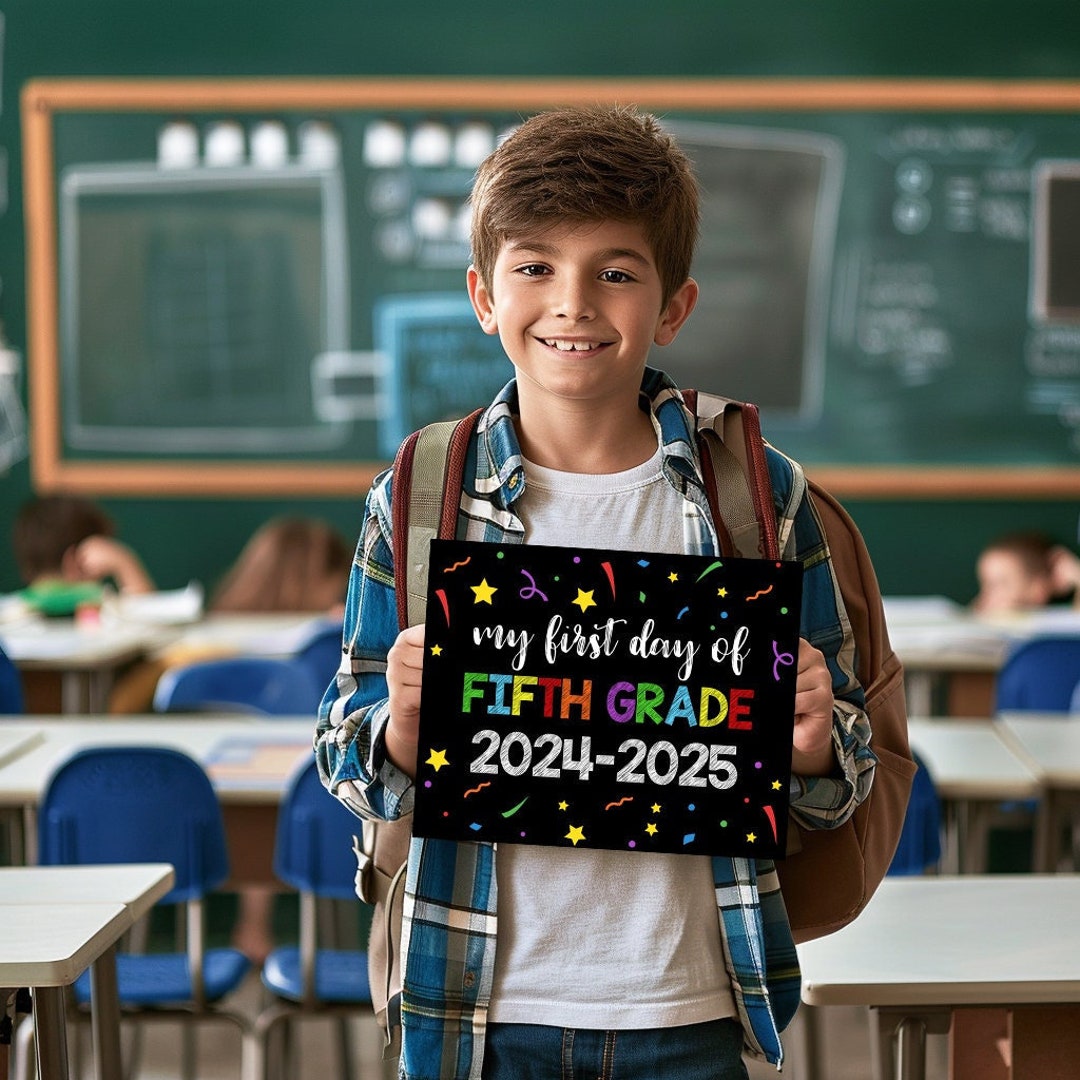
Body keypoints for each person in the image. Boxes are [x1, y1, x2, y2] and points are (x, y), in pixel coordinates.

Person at [315, 105, 876, 1079]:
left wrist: (818, 743)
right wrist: (398, 729)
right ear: (484, 295)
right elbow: (344, 755)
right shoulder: (420, 494)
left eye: (615, 272)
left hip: (691, 1002)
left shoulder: (756, 496)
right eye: (535, 267)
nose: (572, 302)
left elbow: (842, 783)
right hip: (478, 1005)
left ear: (672, 307)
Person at [12, 494, 154, 612]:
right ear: (73, 560)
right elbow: (147, 617)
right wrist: (124, 562)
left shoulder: (16, 608)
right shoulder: (95, 603)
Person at [972, 529, 1080, 615]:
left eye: (999, 584)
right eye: (985, 585)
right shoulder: (982, 611)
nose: (985, 596)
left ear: (1038, 586)